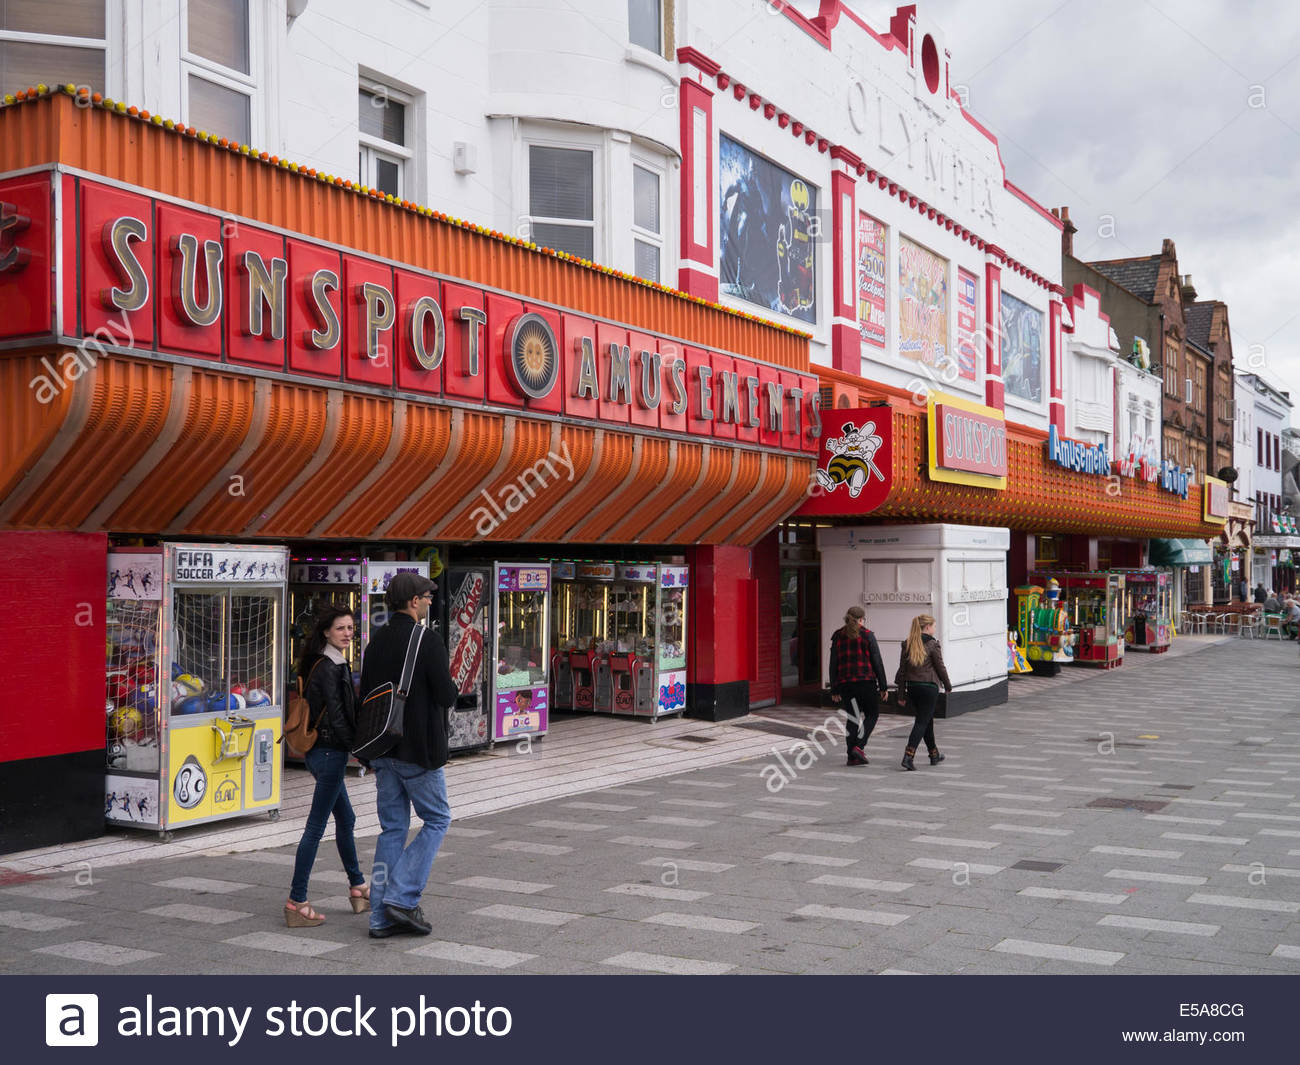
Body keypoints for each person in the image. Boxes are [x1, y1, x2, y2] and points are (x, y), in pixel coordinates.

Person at [361, 572, 459, 939]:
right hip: (418, 751)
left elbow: (366, 698)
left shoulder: (375, 643)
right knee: (437, 819)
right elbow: (447, 696)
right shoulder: (428, 641)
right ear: (413, 601)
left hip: (383, 748)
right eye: (427, 596)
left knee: (392, 829)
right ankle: (401, 897)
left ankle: (379, 918)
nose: (431, 601)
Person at [285, 604, 365, 927]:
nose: (348, 633)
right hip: (330, 753)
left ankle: (358, 887)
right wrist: (360, 750)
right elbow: (338, 715)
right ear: (326, 633)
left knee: (346, 818)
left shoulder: (323, 661)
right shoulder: (330, 667)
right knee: (315, 828)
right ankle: (297, 901)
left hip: (323, 753)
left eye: (350, 628)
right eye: (341, 628)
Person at [827, 605, 887, 766]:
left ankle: (851, 756)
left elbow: (833, 664)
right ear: (861, 619)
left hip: (846, 685)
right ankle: (859, 747)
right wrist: (883, 686)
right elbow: (877, 662)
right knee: (872, 715)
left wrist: (834, 688)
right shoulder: (867, 635)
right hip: (866, 683)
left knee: (852, 718)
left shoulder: (838, 636)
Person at [895, 614, 953, 771]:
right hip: (929, 687)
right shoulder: (933, 644)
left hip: (913, 688)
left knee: (926, 720)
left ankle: (934, 754)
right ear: (927, 627)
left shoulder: (908, 643)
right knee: (922, 722)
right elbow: (940, 667)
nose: (935, 629)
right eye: (934, 626)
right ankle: (908, 756)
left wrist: (901, 694)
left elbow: (902, 671)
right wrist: (948, 685)